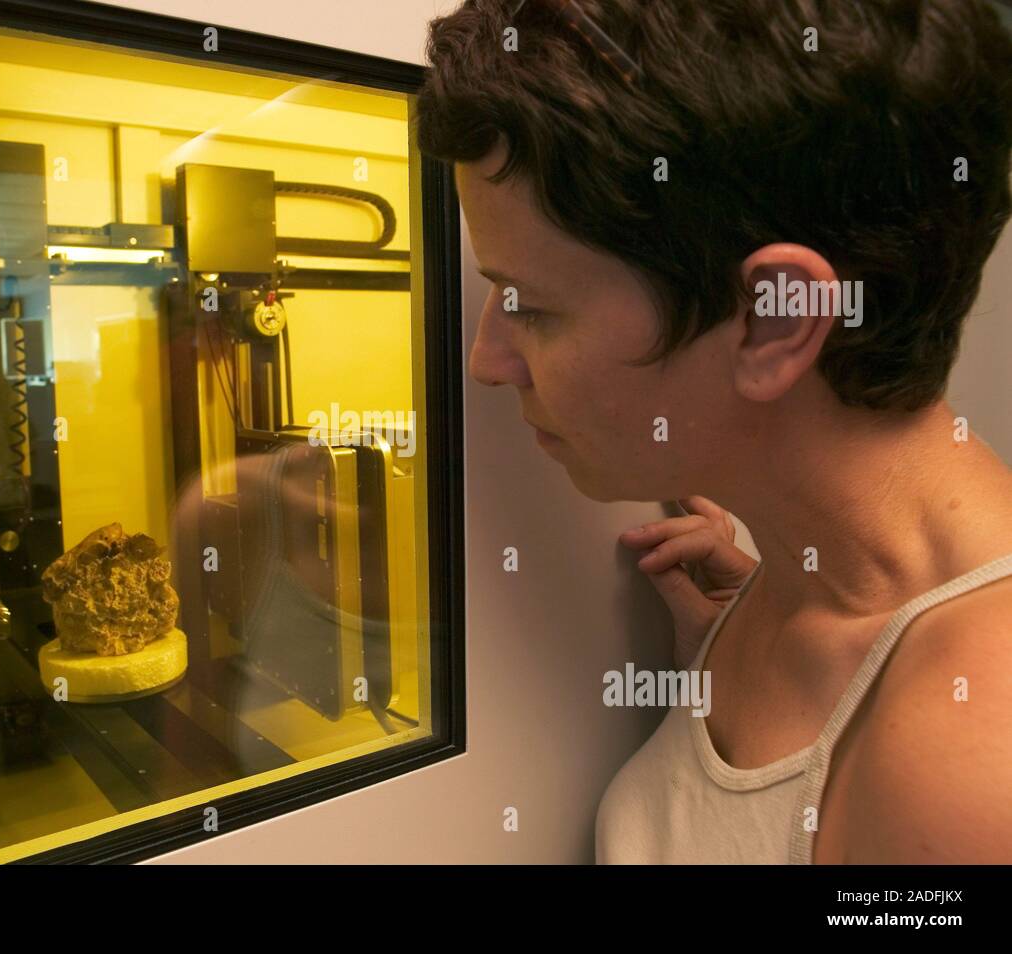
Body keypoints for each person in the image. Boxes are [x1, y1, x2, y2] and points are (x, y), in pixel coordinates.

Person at [416, 0, 1012, 862]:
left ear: (774, 321)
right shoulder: (796, 598)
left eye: (530, 307)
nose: (488, 359)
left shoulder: (970, 754)